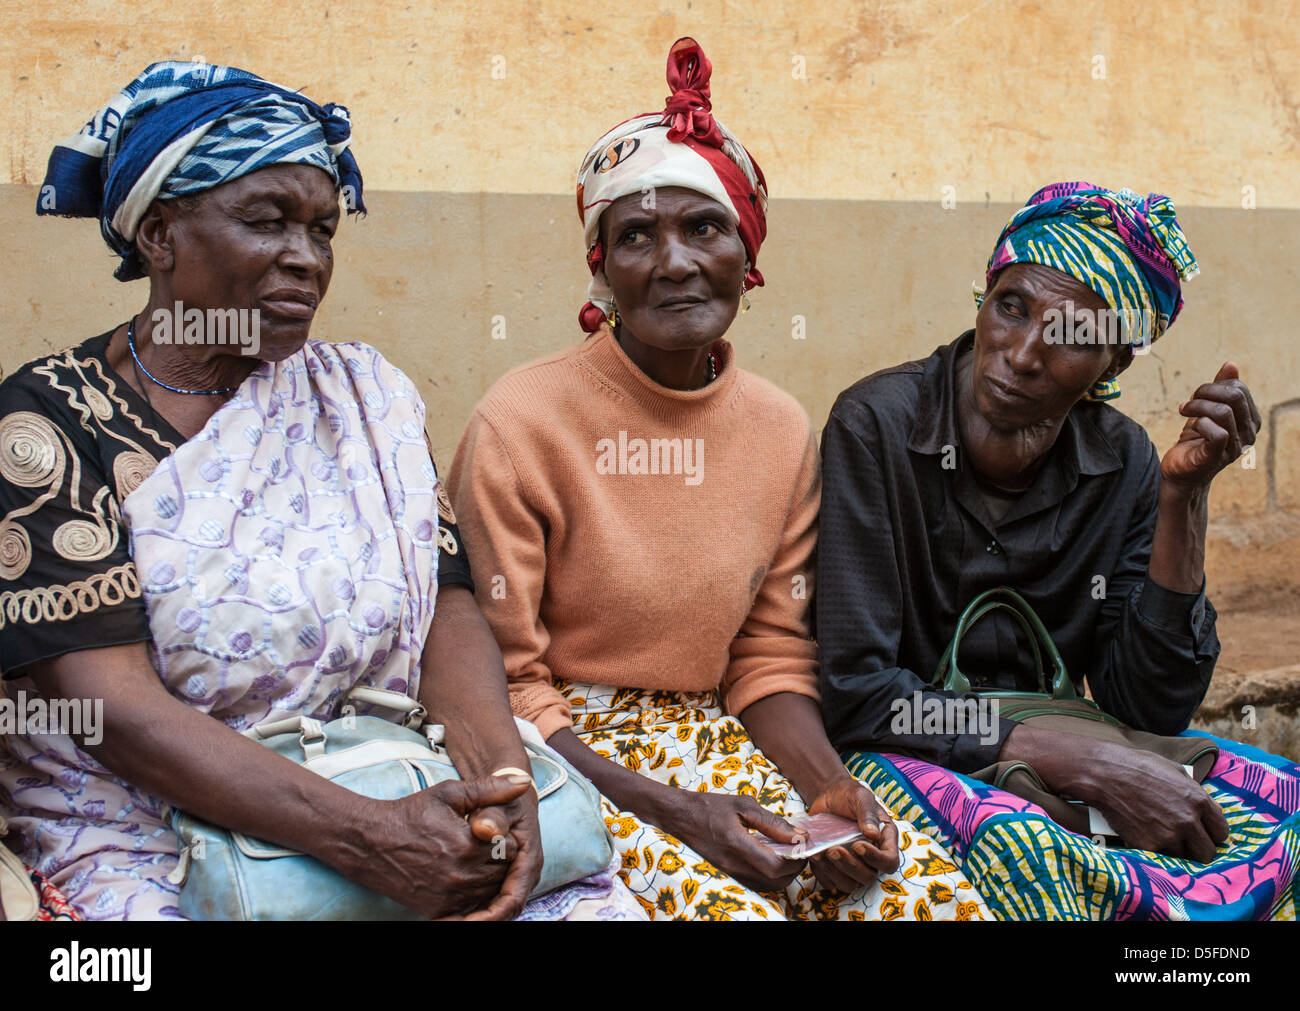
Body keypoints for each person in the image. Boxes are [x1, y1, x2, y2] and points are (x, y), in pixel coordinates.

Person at [0, 60, 638, 921]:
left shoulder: (361, 397)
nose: (304, 258)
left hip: (384, 765)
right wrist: (365, 839)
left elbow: (444, 608)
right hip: (149, 820)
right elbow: (107, 707)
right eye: (266, 222)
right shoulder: (49, 425)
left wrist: (499, 778)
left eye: (323, 229)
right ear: (158, 235)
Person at [448, 37, 986, 921]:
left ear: (748, 254)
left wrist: (827, 791)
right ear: (602, 271)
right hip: (557, 752)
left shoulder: (777, 427)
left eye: (703, 227)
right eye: (636, 237)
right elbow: (504, 682)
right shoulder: (521, 422)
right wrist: (678, 812)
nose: (674, 261)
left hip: (713, 736)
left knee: (924, 900)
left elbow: (767, 653)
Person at [818, 181, 1298, 920]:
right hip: (913, 750)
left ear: (1113, 364)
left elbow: (1150, 703)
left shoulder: (1124, 460)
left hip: (1078, 745)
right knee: (1030, 855)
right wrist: (1070, 756)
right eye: (1011, 307)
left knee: (1286, 803)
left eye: (1073, 335)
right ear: (983, 300)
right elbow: (860, 694)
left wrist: (1184, 499)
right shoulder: (878, 427)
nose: (1024, 352)